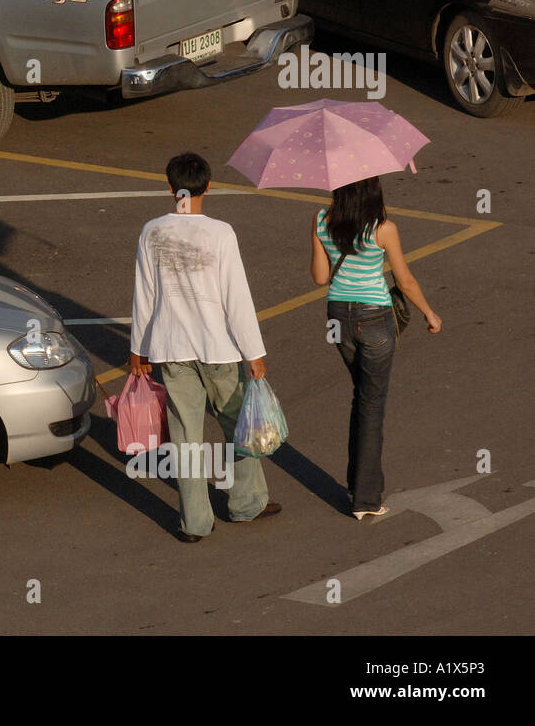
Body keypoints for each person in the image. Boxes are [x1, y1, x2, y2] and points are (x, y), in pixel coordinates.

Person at [130, 152, 280, 542]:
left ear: (169, 187)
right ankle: (245, 503)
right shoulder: (221, 233)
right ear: (208, 187)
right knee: (239, 429)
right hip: (220, 351)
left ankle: (196, 522)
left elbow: (144, 296)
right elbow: (236, 298)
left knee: (185, 439)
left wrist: (138, 350)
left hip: (172, 350)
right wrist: (254, 351)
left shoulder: (152, 231)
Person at [310, 176, 442, 520]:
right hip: (375, 319)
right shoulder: (383, 229)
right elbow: (405, 280)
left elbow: (320, 278)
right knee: (371, 404)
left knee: (361, 397)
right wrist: (429, 312)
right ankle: (365, 499)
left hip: (337, 316)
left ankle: (358, 486)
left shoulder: (322, 220)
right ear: (372, 191)